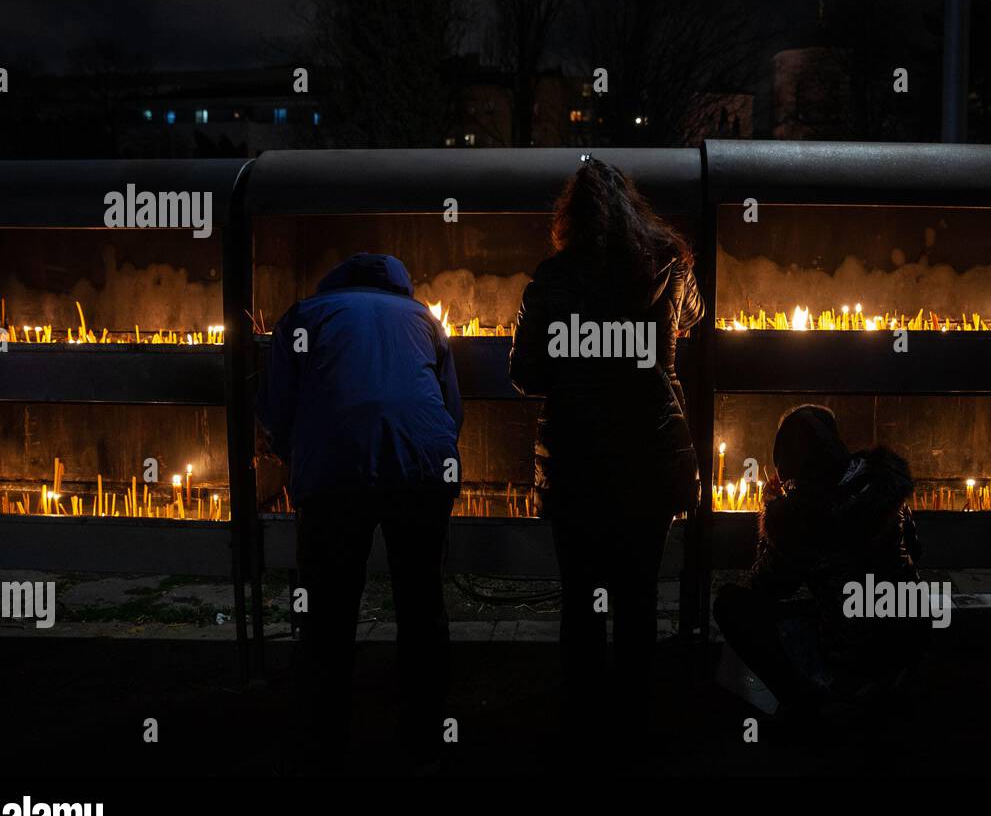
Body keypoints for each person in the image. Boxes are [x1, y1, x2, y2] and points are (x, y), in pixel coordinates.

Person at [509, 156, 703, 749]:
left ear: (569, 218)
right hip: (651, 450)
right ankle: (635, 720)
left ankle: (584, 721)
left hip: (579, 461)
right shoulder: (667, 263)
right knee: (638, 594)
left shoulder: (552, 278)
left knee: (583, 595)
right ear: (631, 210)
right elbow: (693, 322)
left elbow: (527, 373)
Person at [259, 252, 463, 773]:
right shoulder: (424, 318)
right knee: (421, 600)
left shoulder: (302, 316)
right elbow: (450, 407)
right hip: (423, 465)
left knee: (328, 608)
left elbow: (277, 407)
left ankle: (324, 737)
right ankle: (425, 730)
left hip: (333, 471)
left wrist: (297, 457)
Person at [714, 405, 929, 723]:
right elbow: (915, 549)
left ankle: (807, 702)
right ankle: (892, 686)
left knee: (731, 605)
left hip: (854, 652)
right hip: (909, 634)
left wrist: (772, 512)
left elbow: (763, 587)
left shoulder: (800, 514)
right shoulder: (881, 483)